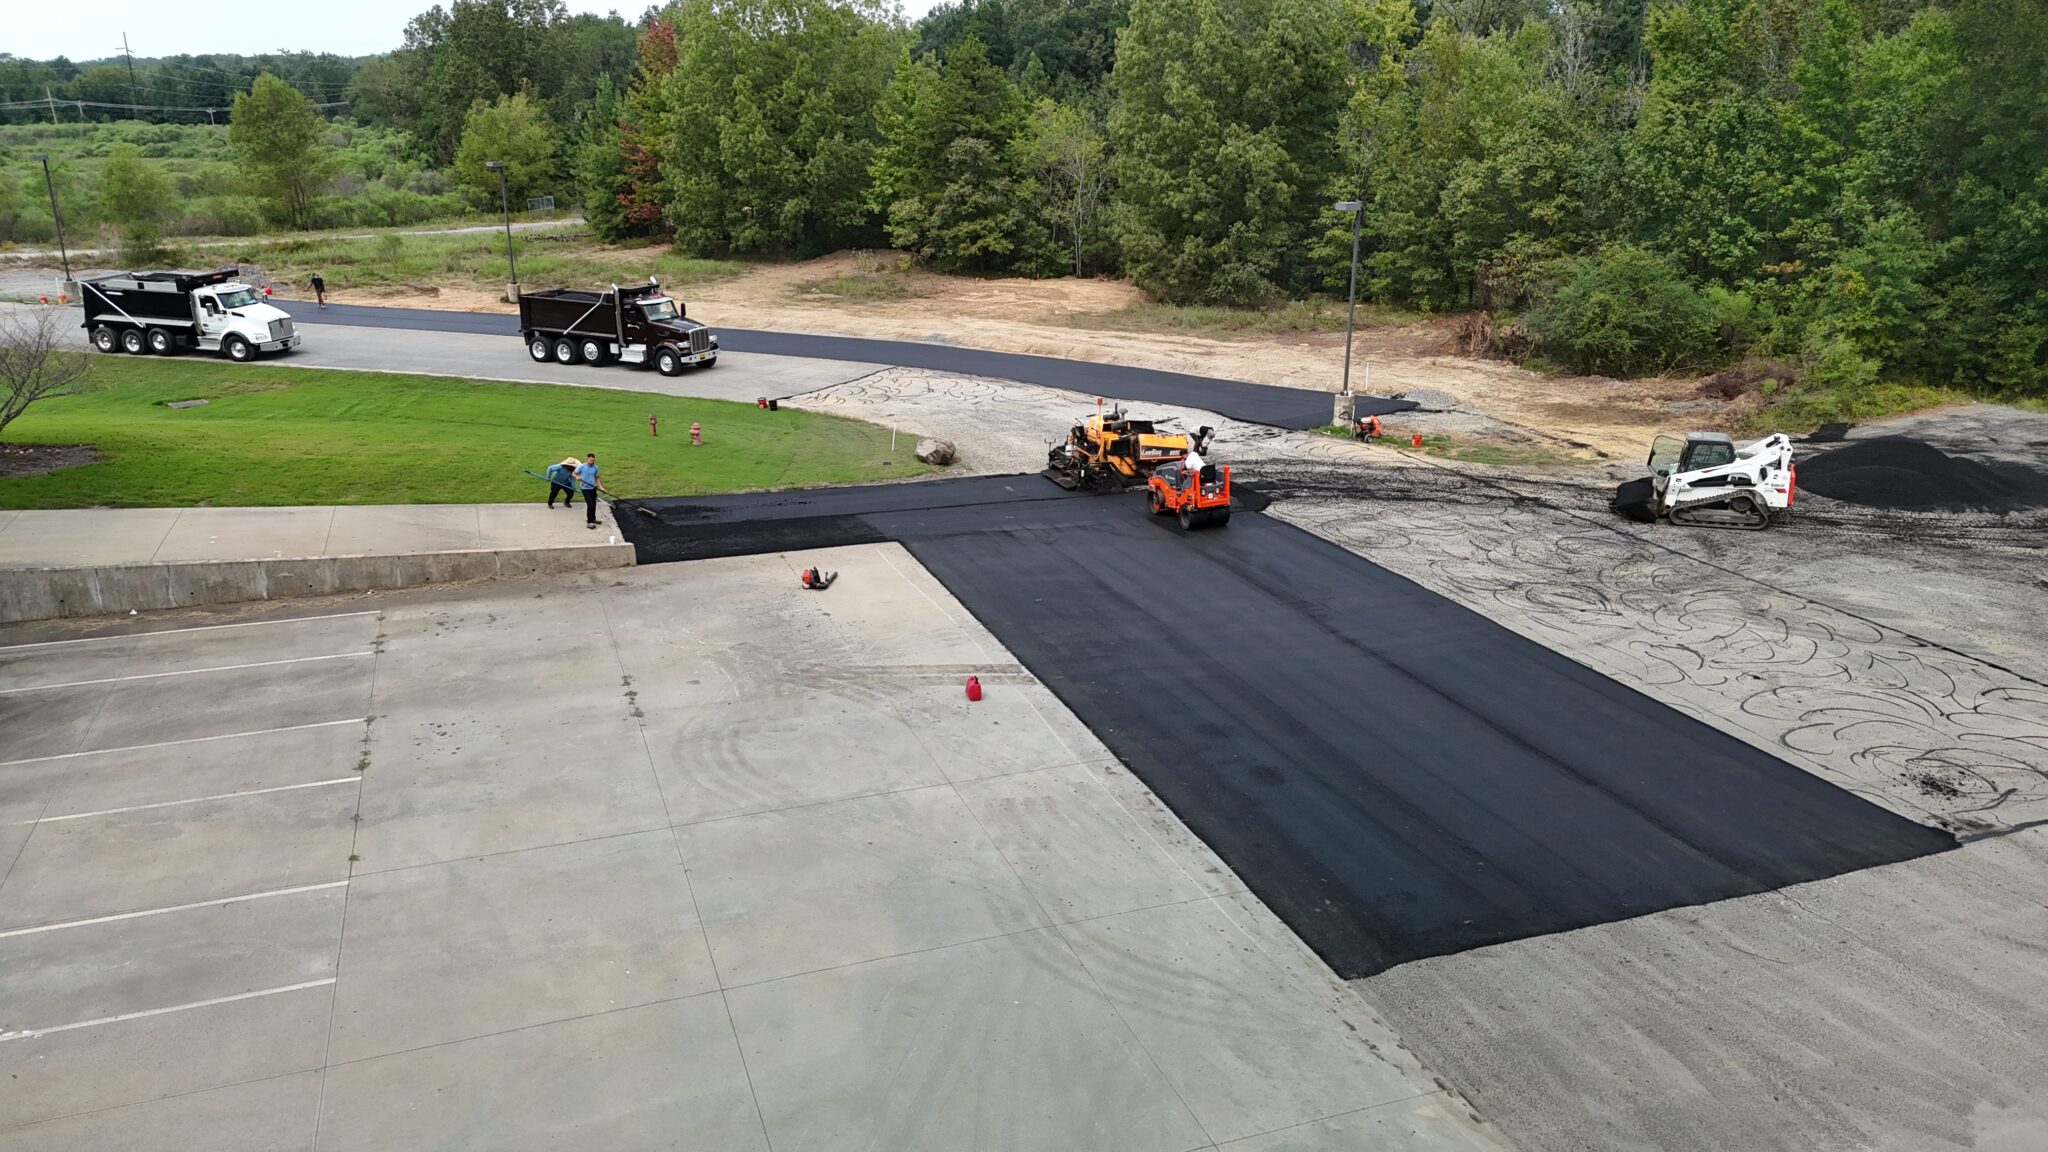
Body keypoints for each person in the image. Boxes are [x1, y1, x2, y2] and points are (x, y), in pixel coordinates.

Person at [576, 453, 608, 528]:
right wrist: (577, 477)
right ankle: (589, 522)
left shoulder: (595, 467)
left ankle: (593, 519)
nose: (592, 462)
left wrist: (601, 487)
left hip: (593, 488)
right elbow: (574, 473)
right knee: (590, 504)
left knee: (593, 504)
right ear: (587, 459)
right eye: (591, 460)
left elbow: (597, 478)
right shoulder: (582, 466)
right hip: (585, 488)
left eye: (593, 460)